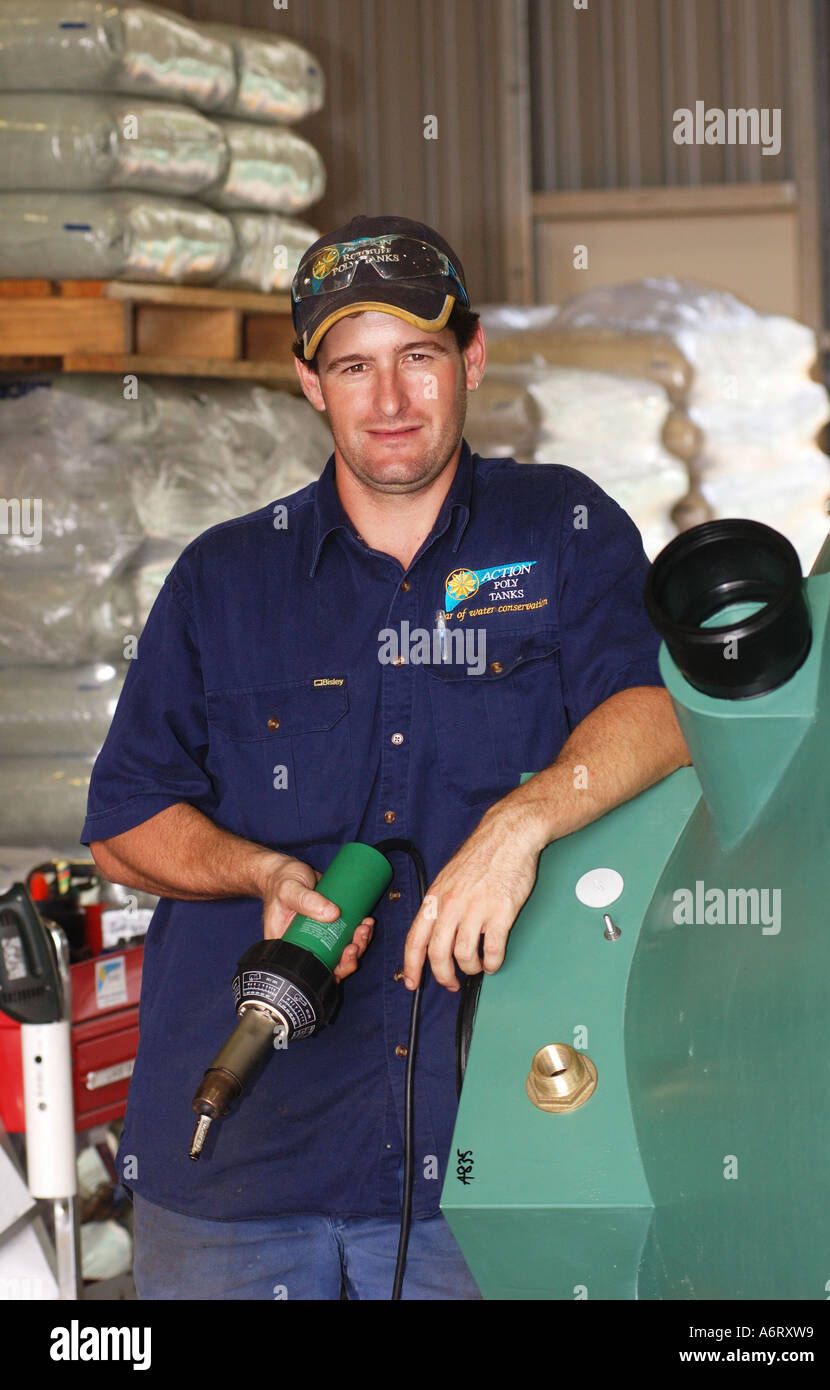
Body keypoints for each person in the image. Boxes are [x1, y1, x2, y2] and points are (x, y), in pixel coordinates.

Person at [82, 213, 691, 1300]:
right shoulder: (226, 578)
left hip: (490, 1151)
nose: (392, 400)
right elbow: (126, 820)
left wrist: (522, 822)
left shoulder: (562, 530)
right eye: (354, 366)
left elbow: (658, 711)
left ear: (472, 358)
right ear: (311, 385)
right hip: (243, 1170)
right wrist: (262, 872)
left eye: (419, 356)